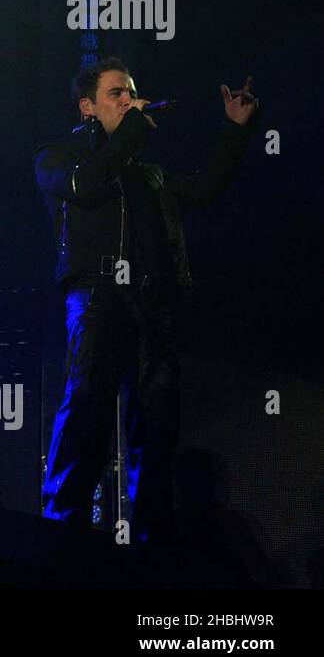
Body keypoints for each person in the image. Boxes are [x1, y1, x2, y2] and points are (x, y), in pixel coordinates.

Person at [35, 57, 260, 541]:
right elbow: (86, 184)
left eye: (131, 91)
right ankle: (60, 534)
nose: (130, 100)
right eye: (116, 93)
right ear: (87, 106)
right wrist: (130, 132)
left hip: (150, 302)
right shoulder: (60, 156)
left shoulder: (148, 174)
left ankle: (151, 546)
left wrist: (236, 131)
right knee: (86, 411)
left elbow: (204, 188)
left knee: (156, 426)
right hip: (95, 295)